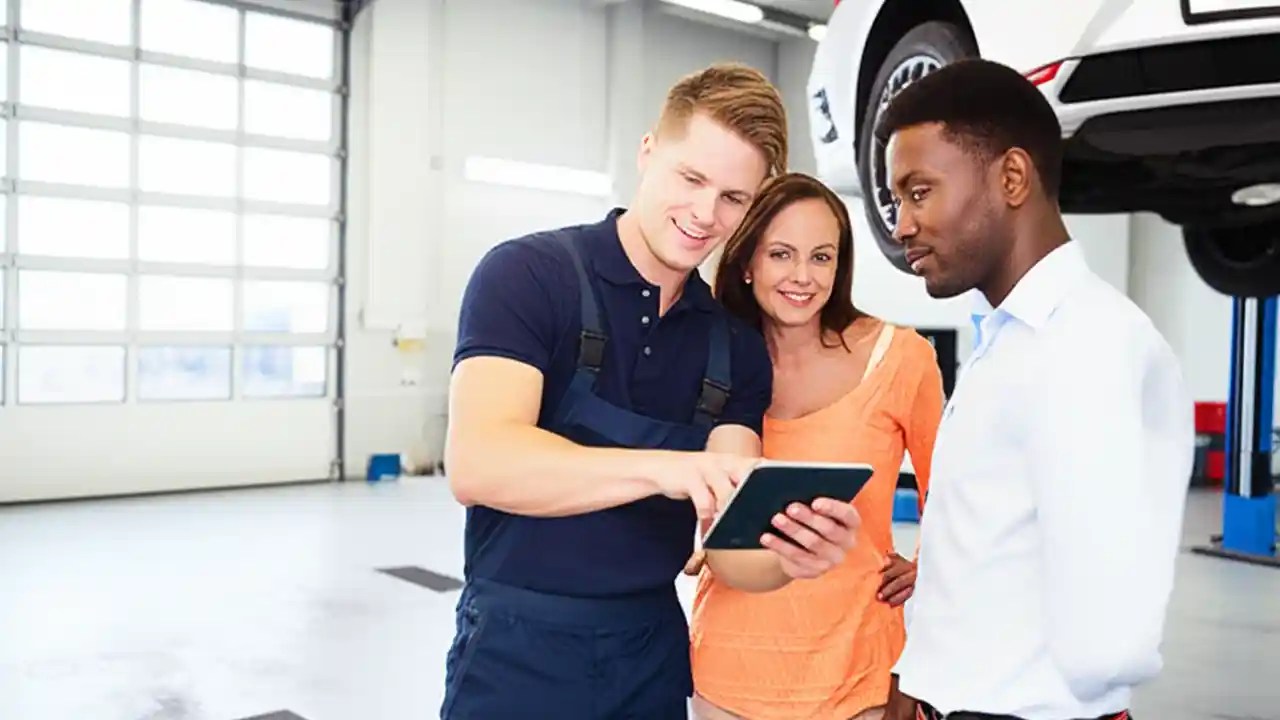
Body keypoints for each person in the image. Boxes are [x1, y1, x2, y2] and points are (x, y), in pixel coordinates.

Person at [441, 63, 864, 720]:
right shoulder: (527, 276)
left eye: (733, 198)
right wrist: (673, 469)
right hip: (515, 650)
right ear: (647, 153)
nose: (704, 214)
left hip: (650, 658)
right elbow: (480, 463)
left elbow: (732, 544)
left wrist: (794, 552)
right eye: (691, 178)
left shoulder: (734, 347)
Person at [876, 59, 1194, 720]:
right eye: (897, 199)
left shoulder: (1088, 346)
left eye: (919, 190)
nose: (901, 223)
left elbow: (1107, 642)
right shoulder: (1011, 340)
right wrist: (919, 675)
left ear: (1012, 177)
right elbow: (984, 549)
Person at [685, 172, 945, 720]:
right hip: (730, 663)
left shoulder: (901, 358)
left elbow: (951, 491)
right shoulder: (712, 363)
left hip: (855, 666)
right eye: (781, 254)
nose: (802, 277)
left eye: (821, 257)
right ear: (748, 262)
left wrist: (928, 564)